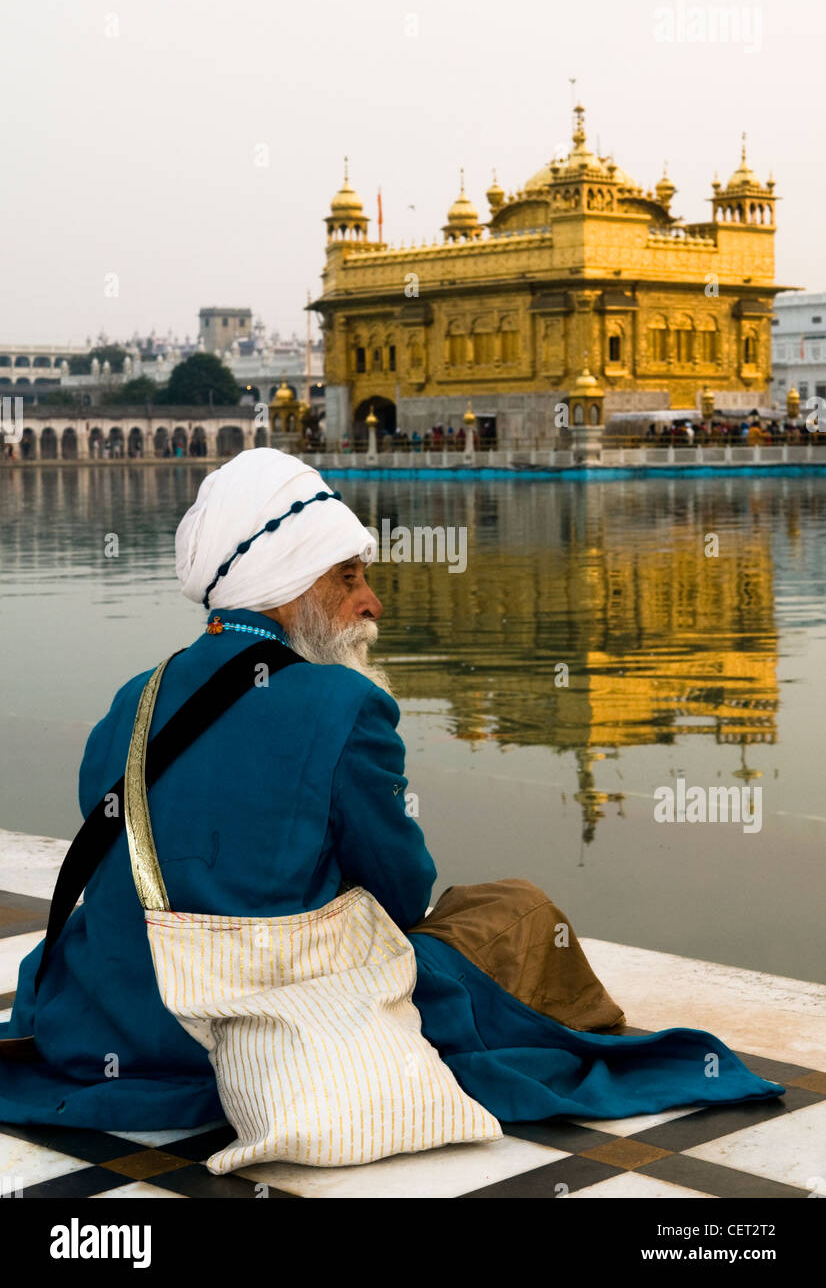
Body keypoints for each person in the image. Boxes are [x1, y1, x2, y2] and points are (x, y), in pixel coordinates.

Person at [0, 449, 782, 1133]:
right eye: (351, 579)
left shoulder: (133, 699)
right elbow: (405, 894)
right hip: (269, 1033)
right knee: (514, 910)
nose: (372, 601)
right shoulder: (345, 705)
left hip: (120, 1021)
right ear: (292, 588)